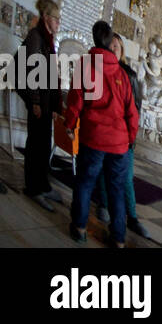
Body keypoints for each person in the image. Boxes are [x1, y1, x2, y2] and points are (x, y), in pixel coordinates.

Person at [65, 21, 139, 246]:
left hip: (94, 138)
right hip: (119, 144)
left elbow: (76, 99)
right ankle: (118, 240)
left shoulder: (86, 65)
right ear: (109, 42)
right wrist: (130, 138)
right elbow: (131, 112)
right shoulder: (121, 73)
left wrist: (70, 125)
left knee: (85, 183)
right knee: (116, 190)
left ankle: (79, 228)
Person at [91, 34, 146, 237]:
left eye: (118, 46)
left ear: (122, 52)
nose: (114, 49)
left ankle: (132, 217)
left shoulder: (129, 75)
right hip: (104, 133)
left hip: (123, 136)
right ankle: (103, 206)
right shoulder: (100, 70)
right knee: (104, 173)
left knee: (126, 179)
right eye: (112, 45)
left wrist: (132, 137)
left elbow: (136, 108)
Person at [17, 0, 62, 212]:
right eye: (56, 19)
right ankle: (33, 188)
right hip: (37, 101)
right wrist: (34, 101)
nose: (58, 23)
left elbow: (52, 76)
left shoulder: (49, 40)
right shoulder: (36, 36)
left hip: (45, 102)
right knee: (35, 145)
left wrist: (55, 106)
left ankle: (43, 185)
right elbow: (31, 70)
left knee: (44, 144)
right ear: (46, 18)